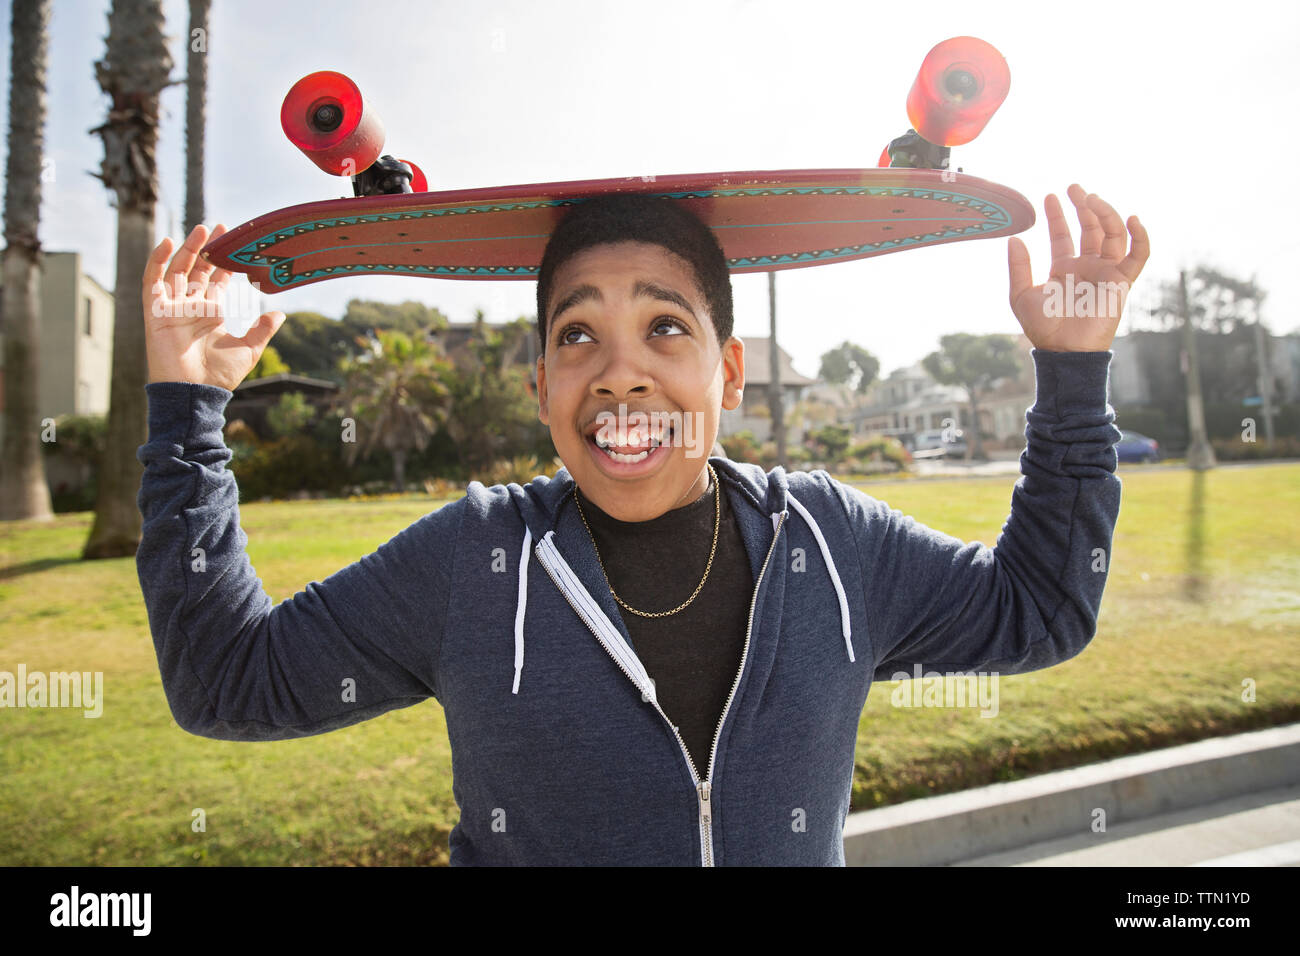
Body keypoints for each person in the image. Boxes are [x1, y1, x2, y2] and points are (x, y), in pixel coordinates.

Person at [137, 184, 1149, 865]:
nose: (619, 370)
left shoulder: (831, 540)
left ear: (729, 371)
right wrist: (187, 410)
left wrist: (1071, 372)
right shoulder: (471, 559)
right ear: (540, 386)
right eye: (577, 334)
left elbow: (1041, 608)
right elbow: (229, 681)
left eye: (665, 326)